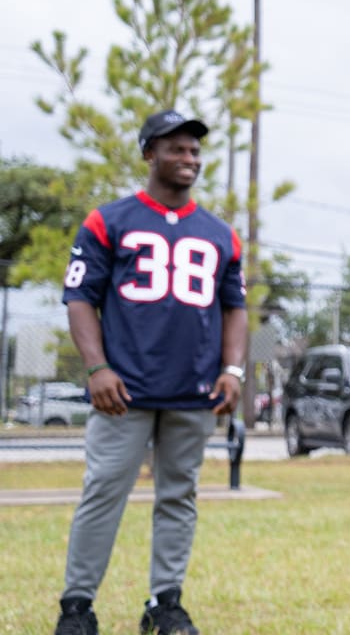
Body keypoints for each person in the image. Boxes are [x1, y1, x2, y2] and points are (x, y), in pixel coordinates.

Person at [54, 110, 248, 635]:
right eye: (175, 149)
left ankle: (165, 604)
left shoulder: (221, 234)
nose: (188, 159)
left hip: (194, 392)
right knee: (103, 492)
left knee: (179, 496)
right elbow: (78, 297)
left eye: (193, 151)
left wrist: (233, 369)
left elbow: (234, 306)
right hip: (124, 390)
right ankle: (77, 606)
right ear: (149, 154)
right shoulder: (107, 221)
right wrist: (96, 367)